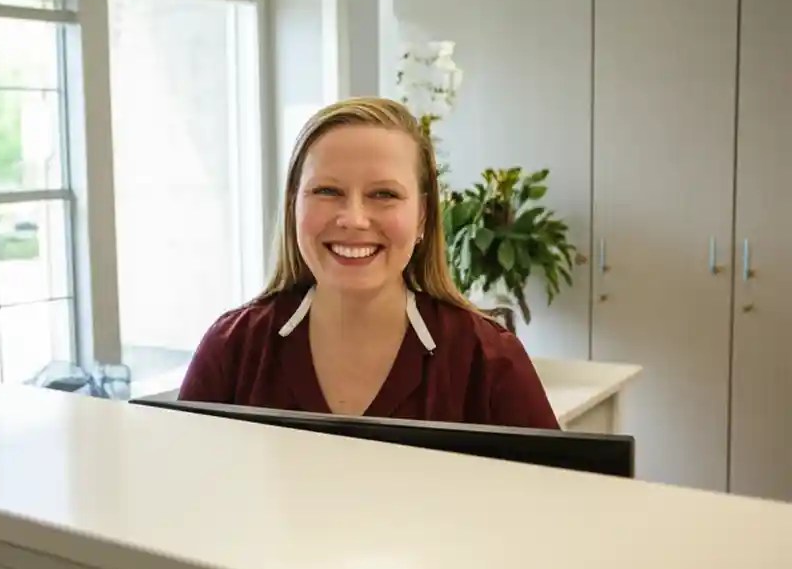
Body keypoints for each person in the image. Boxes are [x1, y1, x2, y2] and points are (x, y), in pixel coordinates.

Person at [178, 97, 559, 429]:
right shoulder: (233, 348)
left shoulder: (488, 359)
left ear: (423, 215)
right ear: (294, 204)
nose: (354, 219)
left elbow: (557, 503)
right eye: (327, 191)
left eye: (384, 194)